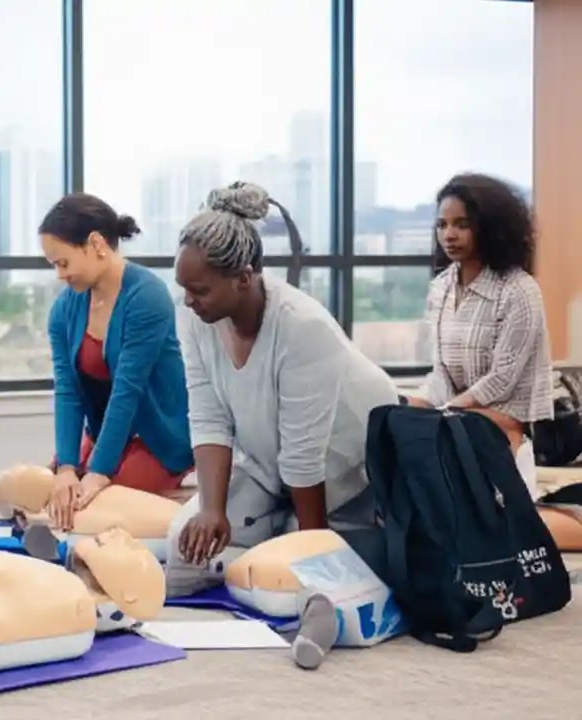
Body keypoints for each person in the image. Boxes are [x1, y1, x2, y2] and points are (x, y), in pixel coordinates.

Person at [166, 181, 400, 597]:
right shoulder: (195, 319)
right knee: (183, 548)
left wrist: (312, 554)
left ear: (244, 278)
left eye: (198, 290)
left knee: (295, 565)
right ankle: (260, 556)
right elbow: (208, 418)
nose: (188, 301)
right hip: (268, 467)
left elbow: (304, 454)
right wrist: (212, 510)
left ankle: (298, 559)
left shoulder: (301, 326)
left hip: (350, 477)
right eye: (184, 288)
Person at [39, 193, 194, 530]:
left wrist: (97, 473)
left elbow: (128, 391)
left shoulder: (147, 297)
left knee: (98, 509)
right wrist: (67, 468)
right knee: (48, 492)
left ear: (95, 244)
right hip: (105, 434)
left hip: (155, 437)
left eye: (62, 263)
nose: (59, 275)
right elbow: (67, 392)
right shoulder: (65, 309)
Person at [406, 173, 553, 497]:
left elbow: (503, 378)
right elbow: (440, 367)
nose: (450, 235)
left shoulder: (519, 290)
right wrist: (425, 407)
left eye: (462, 224)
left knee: (440, 427)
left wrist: (447, 411)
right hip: (457, 410)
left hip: (504, 415)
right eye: (442, 225)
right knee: (393, 417)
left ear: (488, 227)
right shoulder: (441, 287)